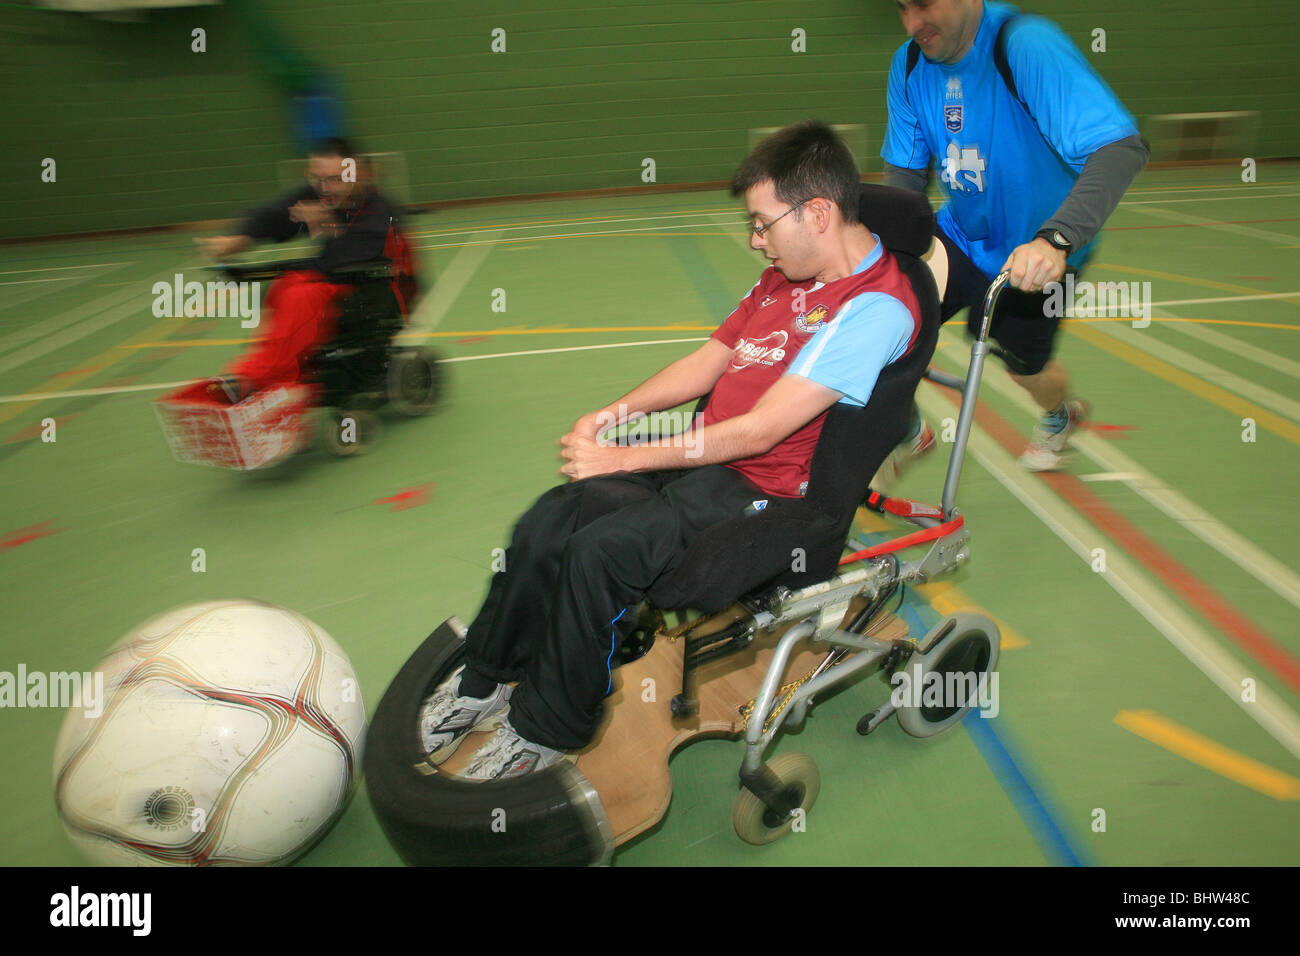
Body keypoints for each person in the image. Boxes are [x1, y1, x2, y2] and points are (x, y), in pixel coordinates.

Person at [419, 121, 925, 781]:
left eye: (763, 224)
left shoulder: (873, 307)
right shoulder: (784, 275)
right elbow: (708, 362)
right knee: (548, 523)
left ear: (820, 214)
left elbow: (760, 432)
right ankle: (487, 681)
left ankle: (545, 734)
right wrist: (612, 417)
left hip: (763, 497)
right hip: (705, 461)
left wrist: (623, 458)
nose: (755, 240)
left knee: (601, 554)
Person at [879, 0, 1148, 471]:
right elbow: (905, 175)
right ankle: (905, 430)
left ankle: (1059, 414)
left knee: (1027, 368)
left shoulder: (1025, 45)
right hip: (962, 234)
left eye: (923, 4)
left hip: (1040, 252)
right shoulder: (909, 63)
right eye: (902, 7)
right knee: (878, 313)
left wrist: (1057, 240)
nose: (912, 23)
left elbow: (1120, 148)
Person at [197, 137, 416, 402]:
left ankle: (254, 377)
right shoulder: (323, 194)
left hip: (370, 287)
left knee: (300, 295)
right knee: (284, 287)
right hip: (331, 280)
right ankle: (270, 371)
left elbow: (356, 257)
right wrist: (238, 239)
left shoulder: (381, 208)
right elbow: (273, 214)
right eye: (318, 178)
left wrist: (332, 224)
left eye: (334, 179)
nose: (324, 187)